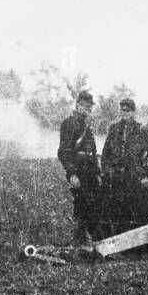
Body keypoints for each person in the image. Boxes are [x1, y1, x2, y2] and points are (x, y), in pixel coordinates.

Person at [57, 90, 101, 244]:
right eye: (82, 106)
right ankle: (80, 241)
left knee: (93, 205)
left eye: (88, 107)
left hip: (90, 173)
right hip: (79, 172)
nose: (85, 109)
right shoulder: (68, 124)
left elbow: (93, 152)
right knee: (81, 206)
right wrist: (72, 174)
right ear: (77, 105)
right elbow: (63, 152)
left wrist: (98, 172)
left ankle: (92, 241)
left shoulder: (86, 126)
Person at [100, 97, 142, 232]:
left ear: (133, 112)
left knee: (132, 206)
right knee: (115, 207)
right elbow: (105, 152)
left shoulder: (139, 129)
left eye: (128, 110)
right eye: (123, 110)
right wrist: (107, 169)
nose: (125, 113)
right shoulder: (114, 128)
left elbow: (142, 154)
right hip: (115, 174)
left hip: (131, 175)